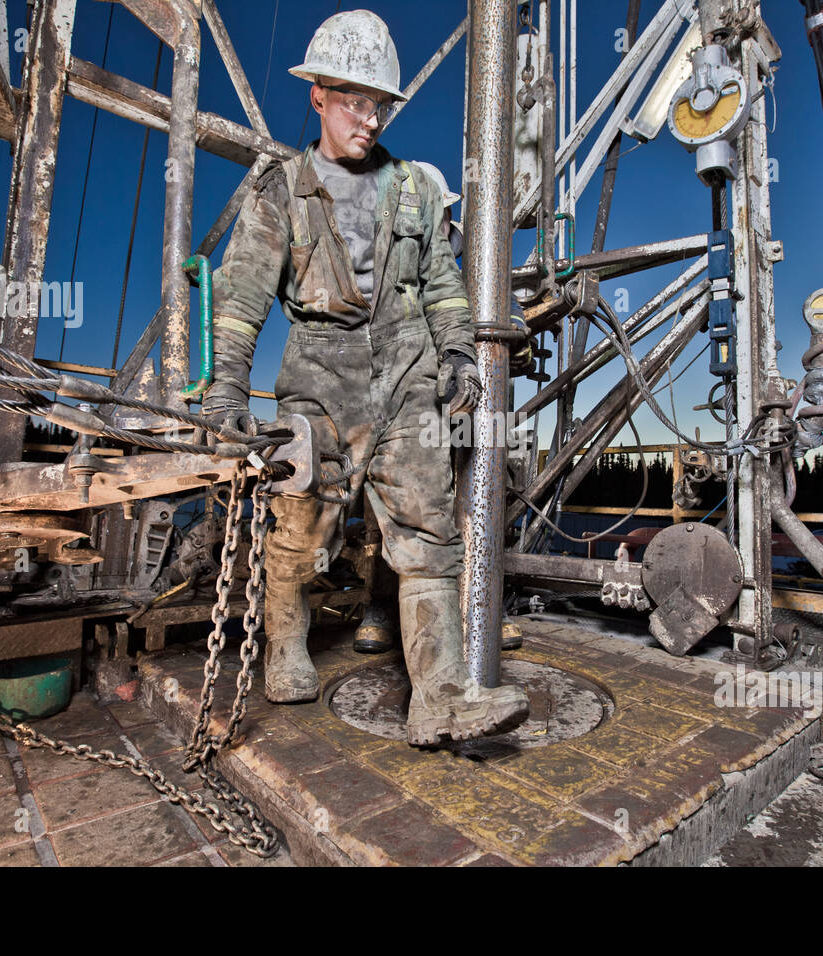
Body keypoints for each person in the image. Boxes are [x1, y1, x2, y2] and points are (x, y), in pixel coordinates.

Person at [201, 10, 528, 746]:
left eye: (381, 105)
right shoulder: (281, 190)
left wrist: (455, 357)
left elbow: (444, 287)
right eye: (356, 101)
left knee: (427, 533)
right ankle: (285, 643)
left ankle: (440, 699)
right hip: (319, 377)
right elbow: (244, 293)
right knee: (304, 530)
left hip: (407, 373)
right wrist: (225, 384)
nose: (371, 118)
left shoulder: (413, 187)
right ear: (317, 94)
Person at [352, 160, 531, 655]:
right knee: (395, 506)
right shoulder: (392, 253)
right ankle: (383, 609)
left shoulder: (477, 258)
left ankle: (484, 607)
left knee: (479, 500)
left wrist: (512, 329)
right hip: (408, 399)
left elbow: (509, 312)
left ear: (447, 210)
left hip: (469, 400)